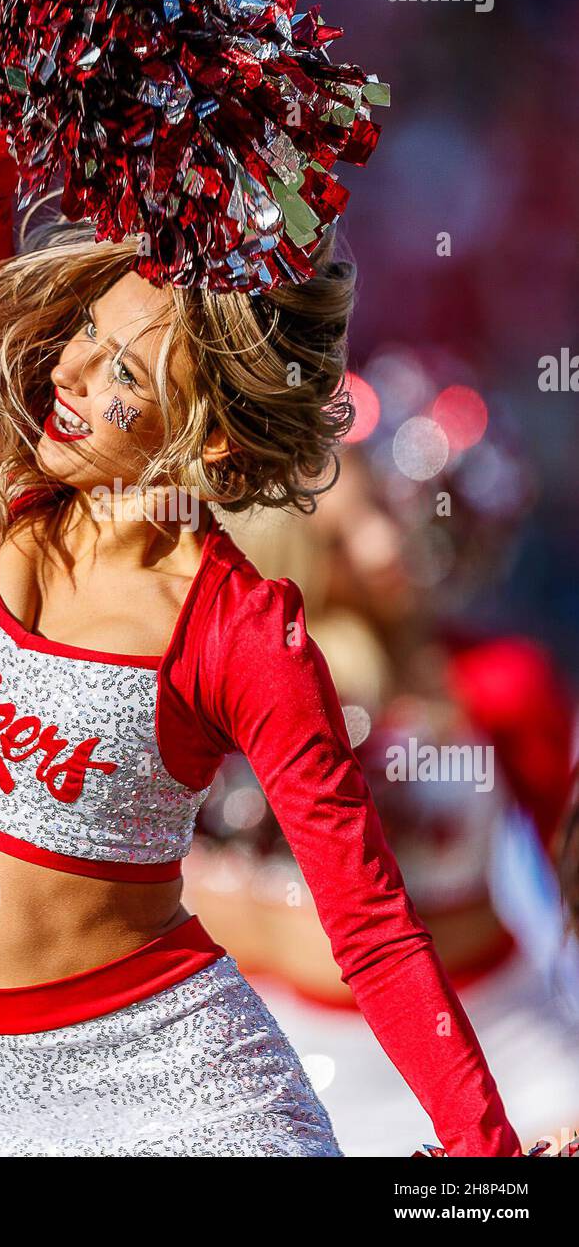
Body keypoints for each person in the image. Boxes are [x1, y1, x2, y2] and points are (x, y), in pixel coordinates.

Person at [0, 0, 521, 1157]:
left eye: (123, 375)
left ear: (205, 436)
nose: (66, 376)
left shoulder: (235, 626)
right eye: (83, 336)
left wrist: (488, 1163)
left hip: (181, 1104)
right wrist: (133, 99)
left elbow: (371, 922)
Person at [202, 443, 579, 1154]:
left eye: (379, 507)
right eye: (337, 538)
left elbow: (569, 866)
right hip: (303, 1057)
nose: (382, 543)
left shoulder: (499, 678)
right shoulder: (224, 694)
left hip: (501, 1039)